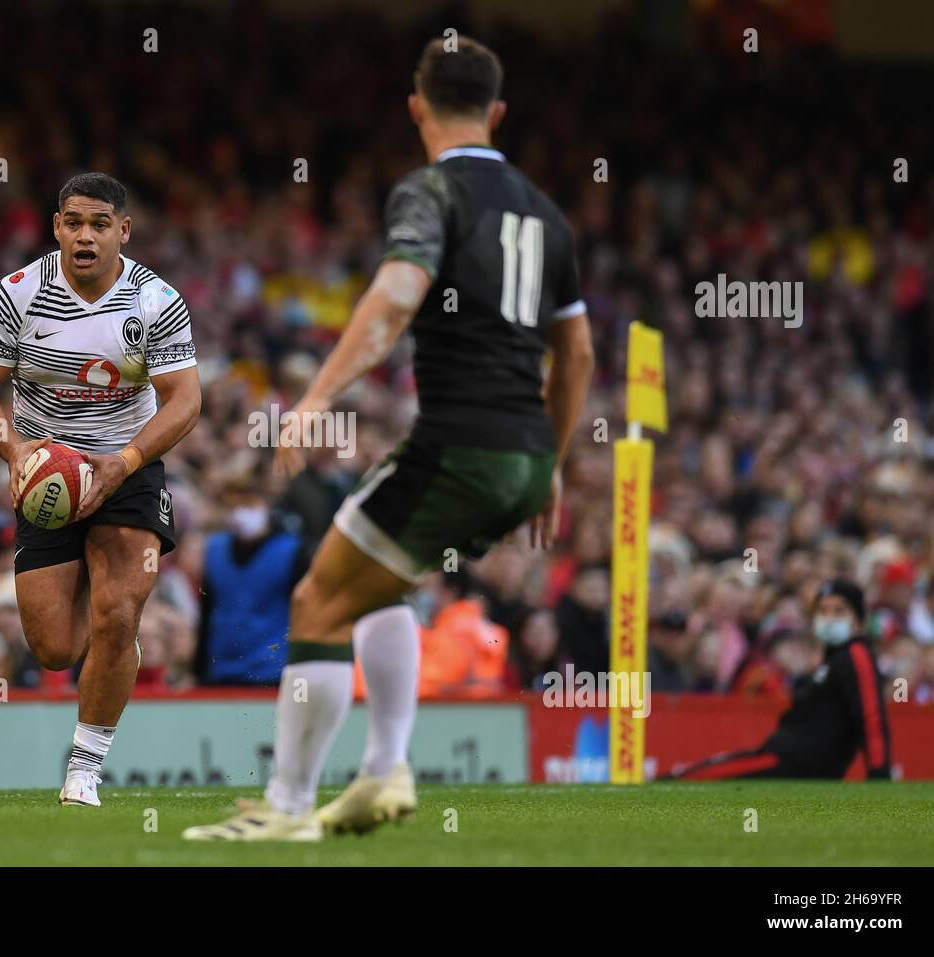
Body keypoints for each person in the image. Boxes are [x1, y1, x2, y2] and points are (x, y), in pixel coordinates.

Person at [185, 36, 593, 841]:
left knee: (318, 600)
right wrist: (550, 458)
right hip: (519, 457)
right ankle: (382, 771)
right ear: (498, 112)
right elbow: (575, 351)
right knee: (379, 584)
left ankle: (291, 807)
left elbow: (395, 296)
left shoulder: (430, 191)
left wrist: (317, 395)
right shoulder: (546, 213)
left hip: (459, 448)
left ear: (417, 107)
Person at [0, 172, 201, 808]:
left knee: (118, 613)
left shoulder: (154, 301)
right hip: (47, 475)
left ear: (123, 230)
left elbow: (186, 401)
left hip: (129, 464)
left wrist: (124, 463)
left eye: (99, 224)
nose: (85, 235)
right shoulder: (16, 295)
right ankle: (109, 614)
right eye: (73, 222)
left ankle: (84, 769)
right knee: (55, 649)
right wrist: (14, 451)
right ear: (56, 227)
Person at [667, 579, 892, 780]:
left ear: (858, 620)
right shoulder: (832, 660)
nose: (829, 618)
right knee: (716, 769)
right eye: (823, 611)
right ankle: (671, 780)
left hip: (796, 762)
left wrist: (879, 774)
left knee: (709, 774)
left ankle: (669, 781)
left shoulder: (856, 654)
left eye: (839, 611)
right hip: (792, 759)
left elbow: (871, 715)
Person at [195, 474, 309, 686]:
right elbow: (207, 613)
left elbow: (306, 615)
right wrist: (199, 672)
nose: (239, 511)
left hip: (272, 675)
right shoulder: (214, 550)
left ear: (265, 504)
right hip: (219, 674)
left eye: (247, 503)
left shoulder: (292, 552)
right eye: (232, 505)